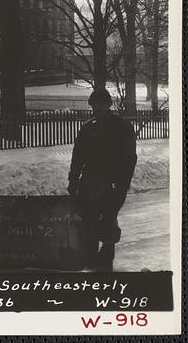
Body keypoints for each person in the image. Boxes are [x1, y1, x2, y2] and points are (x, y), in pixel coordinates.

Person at [67, 87, 137, 271]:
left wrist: (121, 185)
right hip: (89, 183)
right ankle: (90, 258)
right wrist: (73, 181)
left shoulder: (122, 128)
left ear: (109, 105)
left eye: (101, 104)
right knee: (89, 221)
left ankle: (106, 260)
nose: (97, 108)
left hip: (111, 184)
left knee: (108, 221)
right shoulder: (87, 129)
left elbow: (129, 160)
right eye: (94, 105)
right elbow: (77, 158)